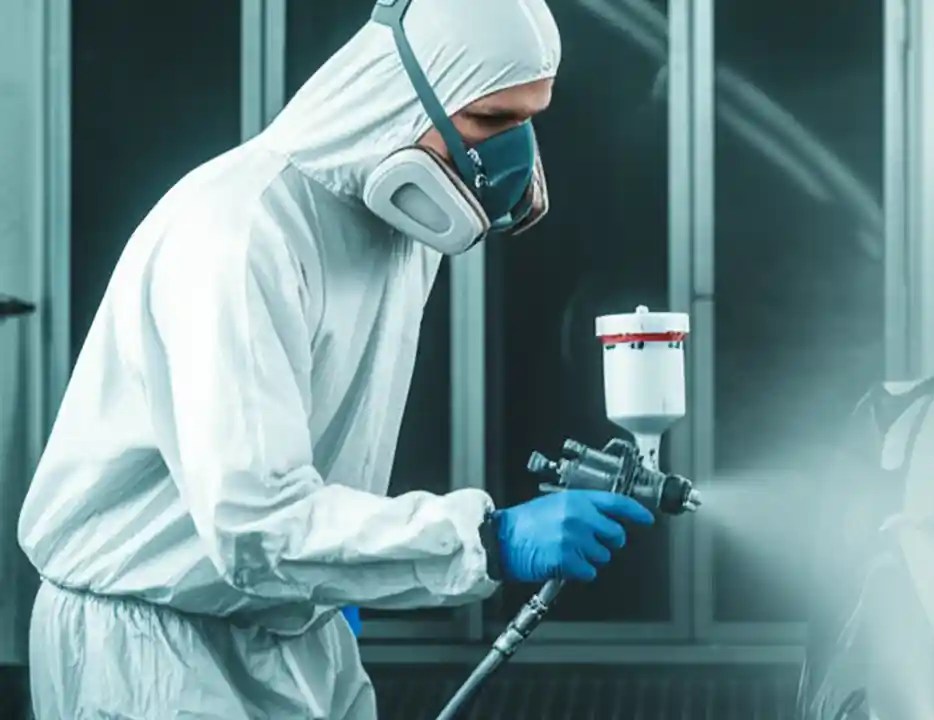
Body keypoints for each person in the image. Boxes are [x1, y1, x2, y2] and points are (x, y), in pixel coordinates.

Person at [17, 0, 654, 717]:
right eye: (490, 123)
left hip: (296, 622)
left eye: (528, 118)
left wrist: (337, 577)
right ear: (400, 97)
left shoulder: (399, 227)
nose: (512, 155)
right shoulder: (239, 234)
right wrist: (488, 541)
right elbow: (254, 525)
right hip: (155, 648)